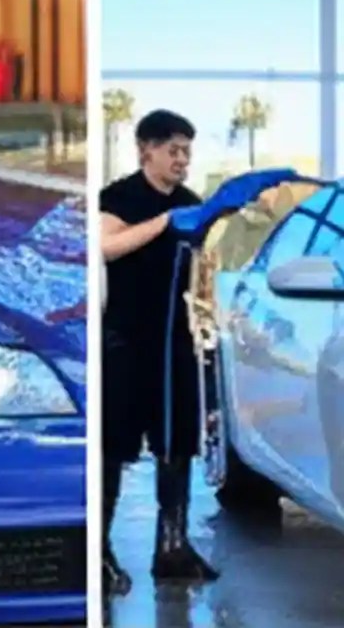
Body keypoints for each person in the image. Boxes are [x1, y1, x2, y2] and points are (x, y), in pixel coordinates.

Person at [100, 109, 298, 598]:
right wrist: (166, 222)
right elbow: (104, 247)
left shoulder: (192, 202)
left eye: (187, 150)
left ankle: (172, 549)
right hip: (125, 342)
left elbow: (200, 267)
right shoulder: (118, 197)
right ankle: (98, 554)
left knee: (177, 445)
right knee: (114, 448)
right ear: (145, 149)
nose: (182, 159)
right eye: (173, 150)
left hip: (175, 345)